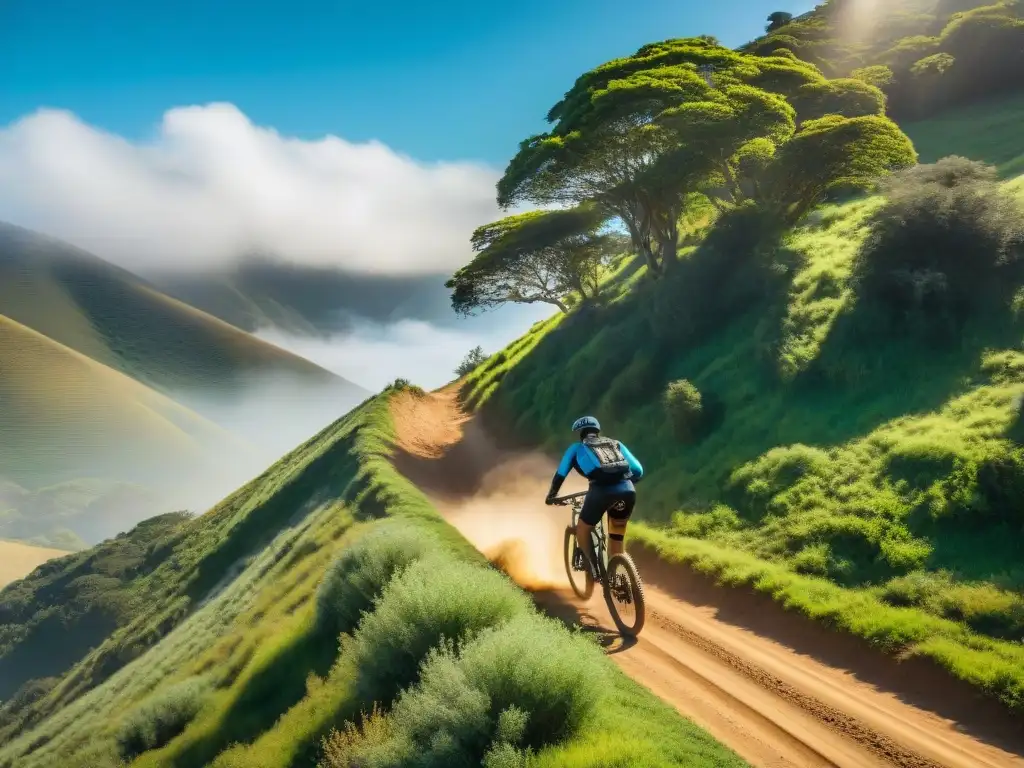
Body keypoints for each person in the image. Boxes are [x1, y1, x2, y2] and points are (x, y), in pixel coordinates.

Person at [544, 416, 643, 579]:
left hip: (600, 492)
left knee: (582, 529)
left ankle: (594, 570)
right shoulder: (616, 444)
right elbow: (638, 470)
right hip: (627, 490)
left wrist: (552, 495)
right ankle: (618, 575)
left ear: (581, 434)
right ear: (597, 432)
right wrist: (623, 484)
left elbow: (561, 473)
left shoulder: (576, 449)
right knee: (616, 533)